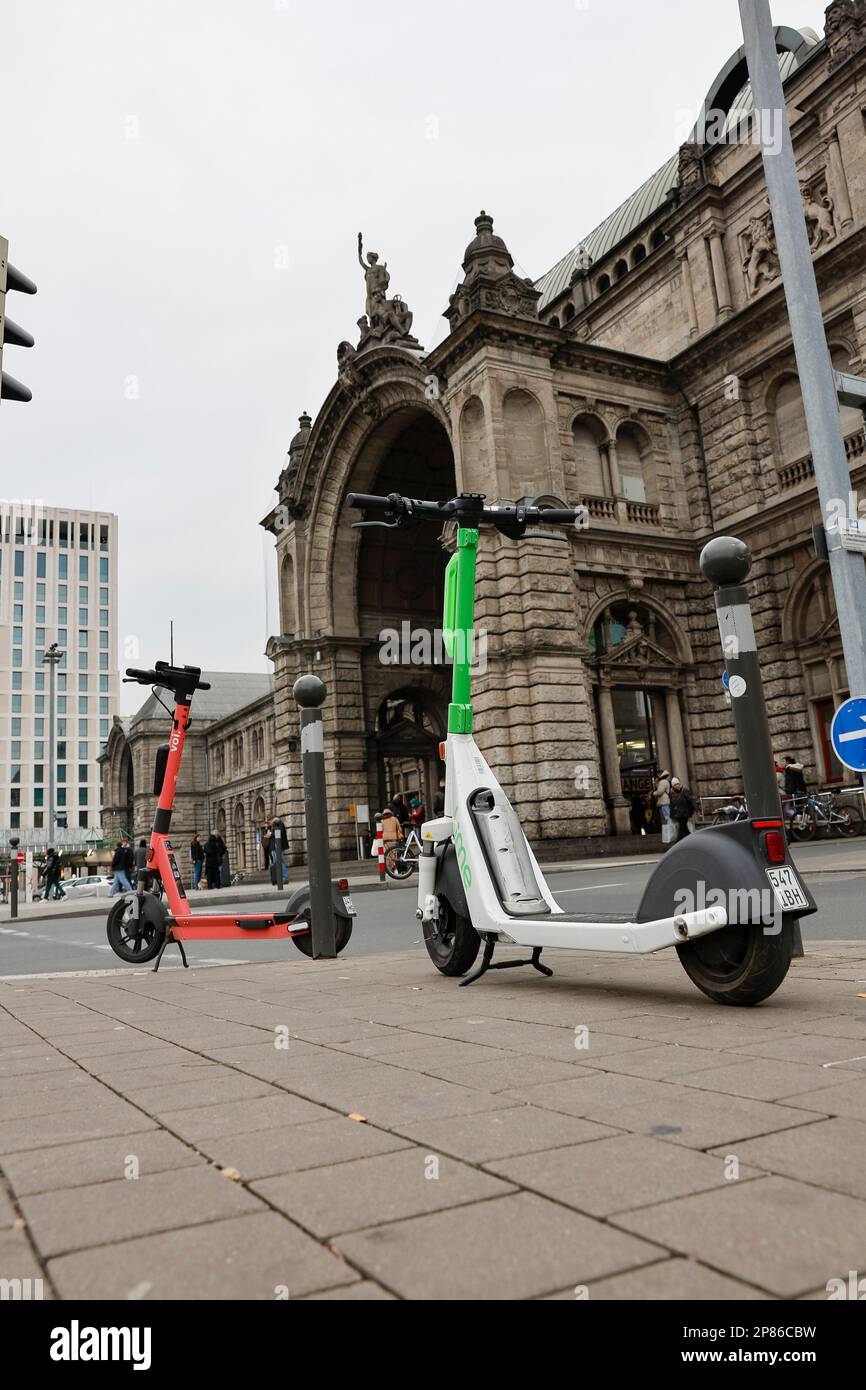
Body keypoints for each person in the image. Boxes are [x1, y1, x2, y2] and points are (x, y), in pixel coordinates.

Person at [669, 776, 697, 842]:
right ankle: (692, 840)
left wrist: (696, 808)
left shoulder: (684, 790)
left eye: (678, 784)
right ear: (673, 786)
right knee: (685, 829)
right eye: (675, 784)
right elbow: (672, 804)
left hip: (685, 812)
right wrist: (671, 814)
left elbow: (691, 800)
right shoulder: (671, 793)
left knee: (681, 829)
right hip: (678, 814)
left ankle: (677, 843)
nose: (677, 785)